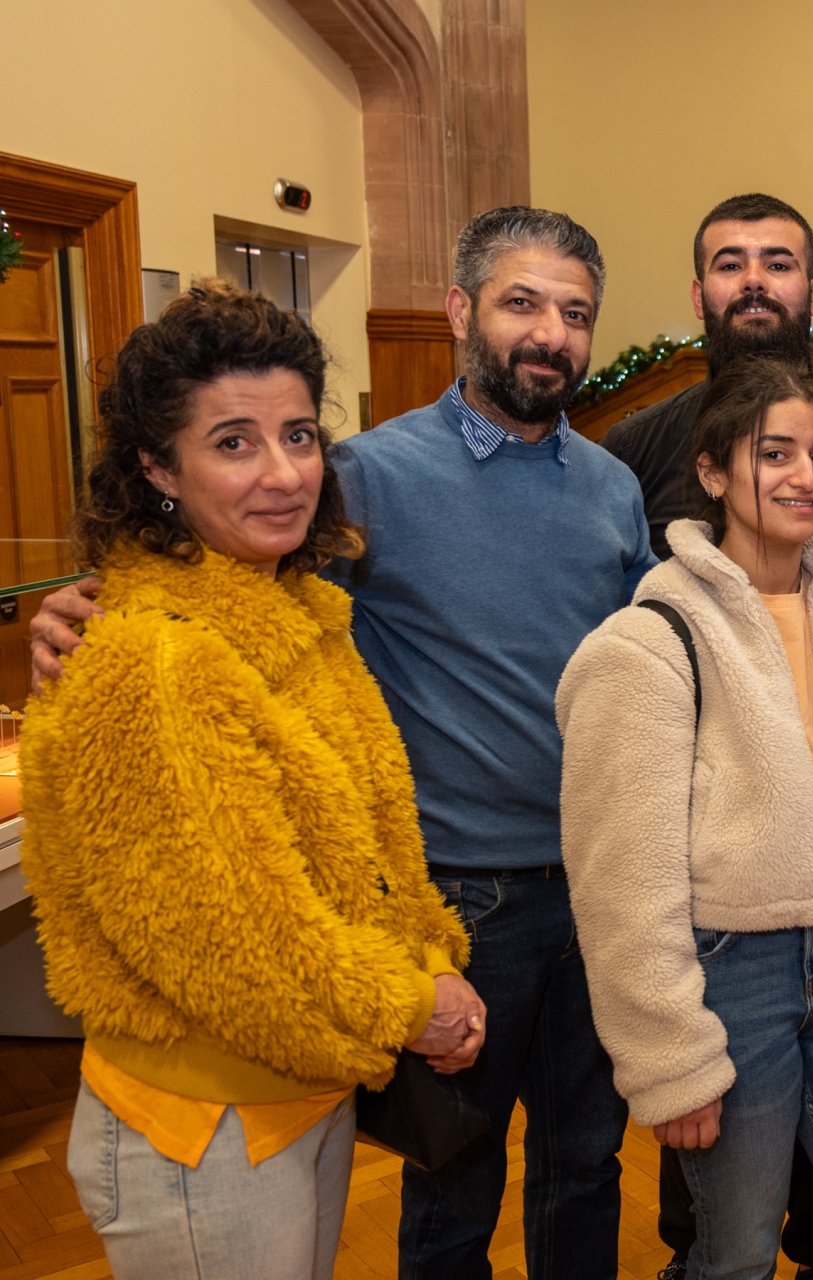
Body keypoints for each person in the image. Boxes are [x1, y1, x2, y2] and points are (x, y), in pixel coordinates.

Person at [30, 206, 656, 1278]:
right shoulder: (365, 473)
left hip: (588, 883)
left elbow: (645, 669)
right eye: (521, 302)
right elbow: (192, 595)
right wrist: (80, 610)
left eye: (575, 312)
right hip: (453, 897)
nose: (549, 332)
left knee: (586, 1156)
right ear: (462, 311)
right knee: (452, 1174)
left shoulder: (612, 487)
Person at [20, 282, 484, 1280]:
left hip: (299, 1092)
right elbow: (238, 946)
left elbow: (368, 848)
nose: (283, 473)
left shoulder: (308, 618)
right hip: (197, 1126)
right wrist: (413, 1003)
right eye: (233, 442)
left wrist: (431, 953)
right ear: (158, 468)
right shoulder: (150, 659)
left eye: (300, 436)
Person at [556, 357, 813, 1280]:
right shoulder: (650, 640)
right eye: (772, 453)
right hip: (729, 972)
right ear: (711, 474)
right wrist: (668, 1054)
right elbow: (625, 877)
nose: (804, 477)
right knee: (734, 1252)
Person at [600, 193, 813, 562]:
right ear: (698, 297)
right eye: (729, 266)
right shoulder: (635, 449)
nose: (753, 282)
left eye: (778, 266)